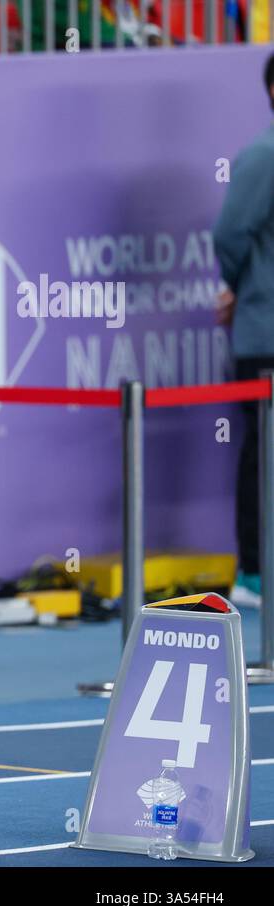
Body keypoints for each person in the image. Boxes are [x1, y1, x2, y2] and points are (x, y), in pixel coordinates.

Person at [215, 52, 274, 609]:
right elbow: (230, 235)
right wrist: (242, 286)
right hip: (267, 337)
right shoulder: (262, 157)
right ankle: (254, 575)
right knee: (264, 455)